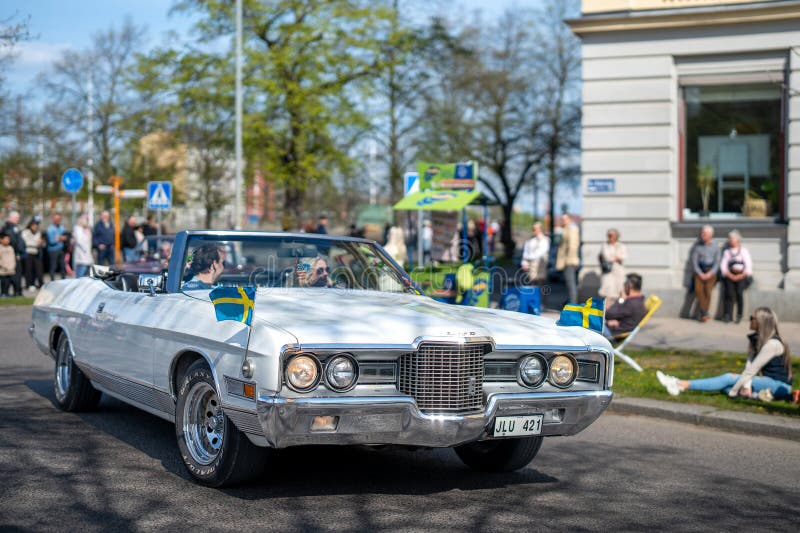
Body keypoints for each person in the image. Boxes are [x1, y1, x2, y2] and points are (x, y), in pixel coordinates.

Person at [657, 307, 793, 401]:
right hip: (765, 382)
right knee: (725, 387)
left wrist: (737, 390)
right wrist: (744, 386)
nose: (749, 319)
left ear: (761, 322)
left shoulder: (773, 344)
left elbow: (753, 369)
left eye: (752, 318)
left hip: (780, 386)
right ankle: (758, 396)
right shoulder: (757, 339)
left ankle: (680, 384)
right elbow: (749, 364)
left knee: (728, 378)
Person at [720, 230, 752, 323]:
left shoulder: (743, 251)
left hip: (741, 275)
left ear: (737, 240)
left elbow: (748, 265)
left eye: (732, 239)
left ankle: (739, 314)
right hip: (730, 275)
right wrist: (729, 275)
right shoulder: (727, 252)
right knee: (728, 293)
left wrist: (741, 275)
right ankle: (727, 314)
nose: (730, 241)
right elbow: (723, 266)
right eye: (730, 239)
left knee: (739, 293)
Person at [691, 225, 721, 322]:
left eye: (704, 233)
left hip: (711, 270)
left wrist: (710, 273)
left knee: (707, 290)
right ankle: (704, 312)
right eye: (702, 233)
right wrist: (700, 273)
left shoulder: (716, 246)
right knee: (698, 289)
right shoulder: (697, 246)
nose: (702, 235)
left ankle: (703, 312)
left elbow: (717, 262)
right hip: (700, 270)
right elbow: (694, 262)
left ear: (710, 235)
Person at [603, 273, 646, 338]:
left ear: (629, 287)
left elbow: (607, 314)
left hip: (614, 334)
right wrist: (618, 321)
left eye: (625, 284)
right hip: (617, 330)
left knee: (589, 324)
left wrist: (621, 299)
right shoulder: (639, 300)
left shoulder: (631, 303)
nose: (623, 287)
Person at [556, 213, 580, 304]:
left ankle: (573, 305)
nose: (562, 221)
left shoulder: (572, 229)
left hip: (570, 261)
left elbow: (573, 246)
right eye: (561, 219)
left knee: (571, 285)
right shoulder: (566, 229)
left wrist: (568, 261)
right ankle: (571, 303)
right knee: (569, 285)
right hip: (567, 261)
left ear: (570, 220)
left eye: (564, 219)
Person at [598, 228, 627, 302]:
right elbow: (607, 257)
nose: (609, 237)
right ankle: (607, 309)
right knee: (608, 290)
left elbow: (624, 256)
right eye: (608, 235)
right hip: (608, 270)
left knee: (620, 288)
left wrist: (616, 257)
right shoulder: (605, 245)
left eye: (610, 235)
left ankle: (621, 306)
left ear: (616, 236)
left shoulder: (621, 245)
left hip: (618, 270)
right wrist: (616, 257)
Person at [3, 211, 24, 293]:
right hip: (12, 254)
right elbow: (13, 241)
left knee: (17, 273)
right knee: (11, 273)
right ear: (11, 218)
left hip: (17, 253)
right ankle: (10, 292)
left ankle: (17, 291)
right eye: (16, 218)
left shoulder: (15, 227)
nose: (18, 219)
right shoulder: (8, 228)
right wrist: (17, 251)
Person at [21, 218, 44, 290]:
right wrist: (35, 243)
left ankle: (41, 284)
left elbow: (39, 242)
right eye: (34, 225)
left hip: (36, 252)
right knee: (29, 269)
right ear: (30, 225)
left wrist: (39, 243)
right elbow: (26, 242)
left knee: (38, 269)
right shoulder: (25, 232)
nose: (35, 227)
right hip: (28, 252)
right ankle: (29, 284)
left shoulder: (38, 232)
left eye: (36, 225)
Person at [45, 213, 67, 281]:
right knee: (53, 266)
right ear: (53, 219)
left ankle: (64, 281)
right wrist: (61, 238)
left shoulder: (62, 227)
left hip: (61, 249)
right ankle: (52, 281)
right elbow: (51, 241)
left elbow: (66, 237)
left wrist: (58, 238)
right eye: (56, 219)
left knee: (63, 266)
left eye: (59, 219)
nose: (58, 220)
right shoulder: (50, 229)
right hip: (53, 250)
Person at [0, 232, 19, 297]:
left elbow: (13, 258)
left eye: (8, 239)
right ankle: (4, 294)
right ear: (1, 240)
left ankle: (16, 293)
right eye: (6, 239)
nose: (8, 240)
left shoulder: (11, 248)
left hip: (12, 270)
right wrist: (4, 266)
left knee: (16, 283)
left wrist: (13, 266)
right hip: (3, 271)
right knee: (5, 284)